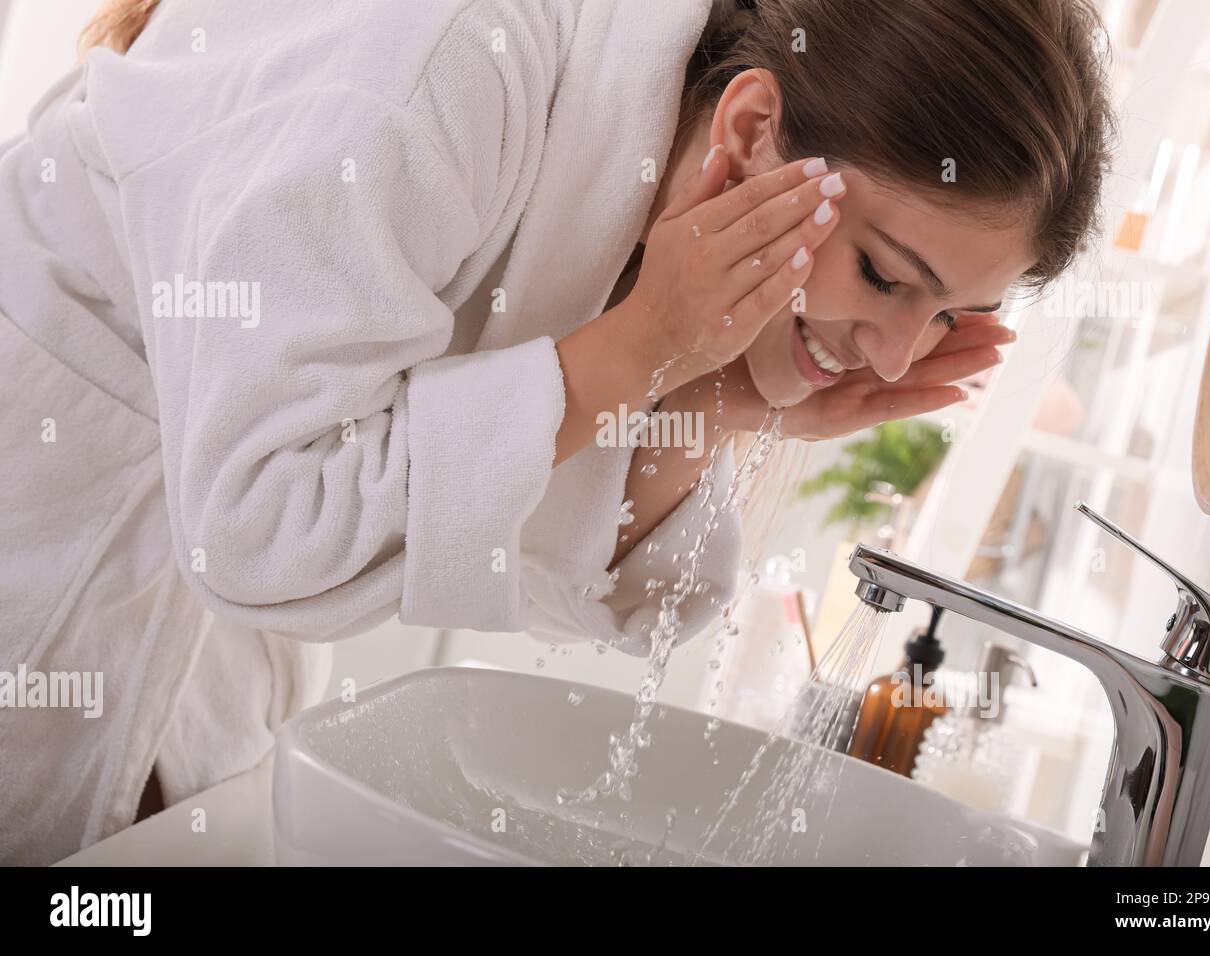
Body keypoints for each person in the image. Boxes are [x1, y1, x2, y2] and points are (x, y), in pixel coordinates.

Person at [0, 0, 1113, 863]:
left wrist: (706, 393)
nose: (894, 355)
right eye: (884, 273)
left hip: (190, 655)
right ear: (755, 127)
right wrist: (641, 349)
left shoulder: (617, 127)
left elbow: (533, 565)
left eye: (949, 317)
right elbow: (264, 521)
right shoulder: (439, 59)